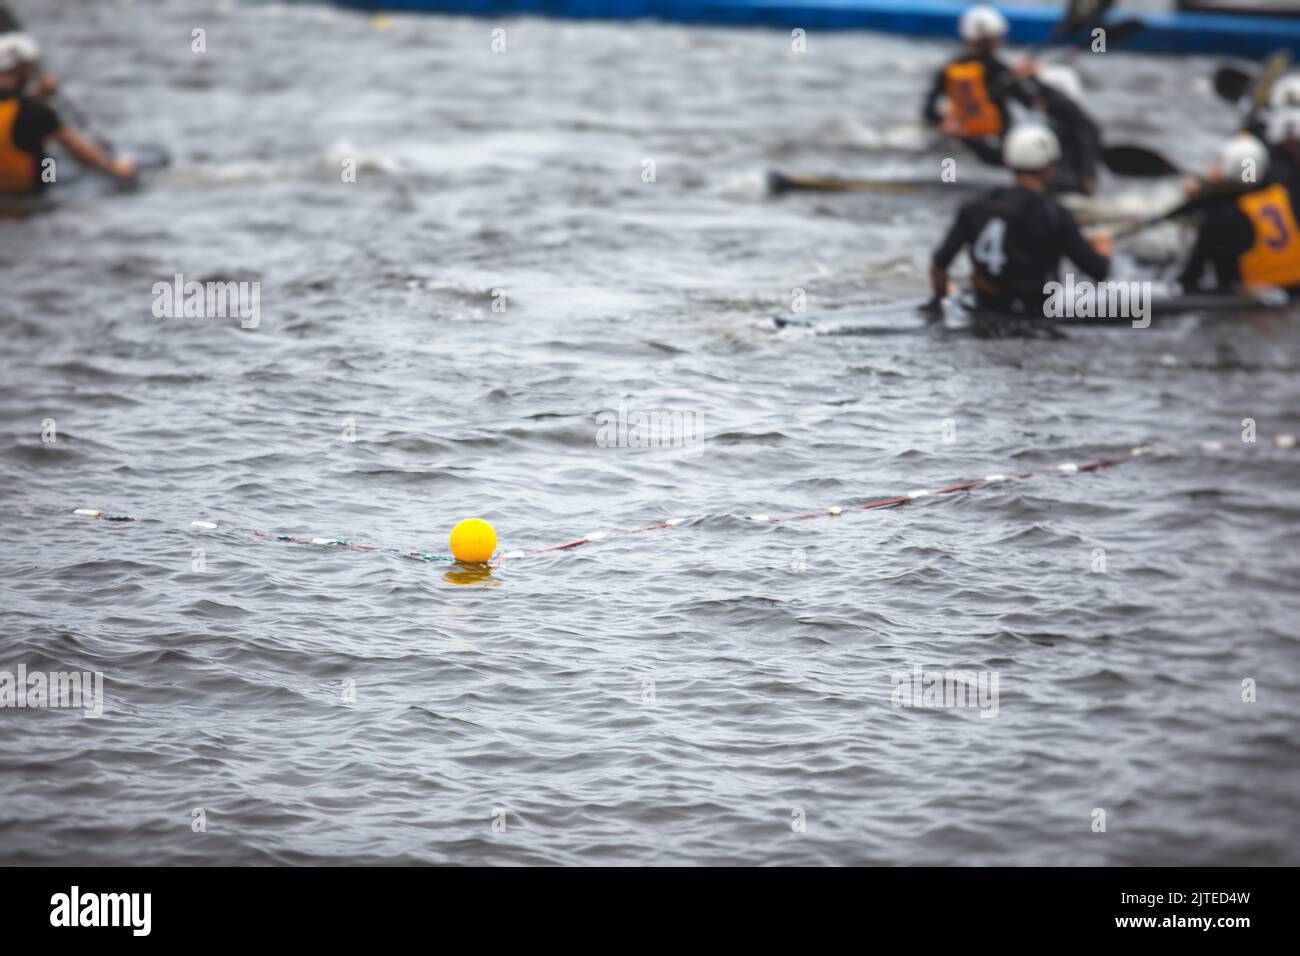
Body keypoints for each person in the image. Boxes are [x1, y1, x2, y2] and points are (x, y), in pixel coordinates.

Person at [929, 124, 1112, 317]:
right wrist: (1103, 247)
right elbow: (1098, 271)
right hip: (1035, 315)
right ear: (1048, 168)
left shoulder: (975, 207)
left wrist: (942, 298)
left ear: (1009, 163)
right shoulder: (1055, 214)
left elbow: (938, 268)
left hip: (984, 311)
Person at [0, 37, 133, 194]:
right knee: (52, 161)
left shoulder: (32, 109)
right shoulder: (37, 111)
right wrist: (114, 168)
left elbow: (13, 108)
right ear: (23, 69)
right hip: (34, 192)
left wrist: (41, 95)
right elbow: (77, 150)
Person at [1178, 133, 1300, 294]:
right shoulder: (1283, 193)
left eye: (1219, 162)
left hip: (1249, 300)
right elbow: (1244, 183)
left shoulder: (1219, 216)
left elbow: (1191, 277)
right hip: (1293, 287)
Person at [922, 5, 1031, 168]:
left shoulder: (950, 67)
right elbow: (1028, 101)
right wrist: (1029, 78)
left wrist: (942, 121)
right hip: (995, 146)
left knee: (950, 170)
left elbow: (928, 111)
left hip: (963, 141)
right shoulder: (1001, 70)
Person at [1019, 63, 1101, 196]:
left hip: (1070, 187)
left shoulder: (1077, 121)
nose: (1040, 102)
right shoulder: (1061, 122)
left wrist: (1033, 77)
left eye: (1043, 96)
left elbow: (1058, 99)